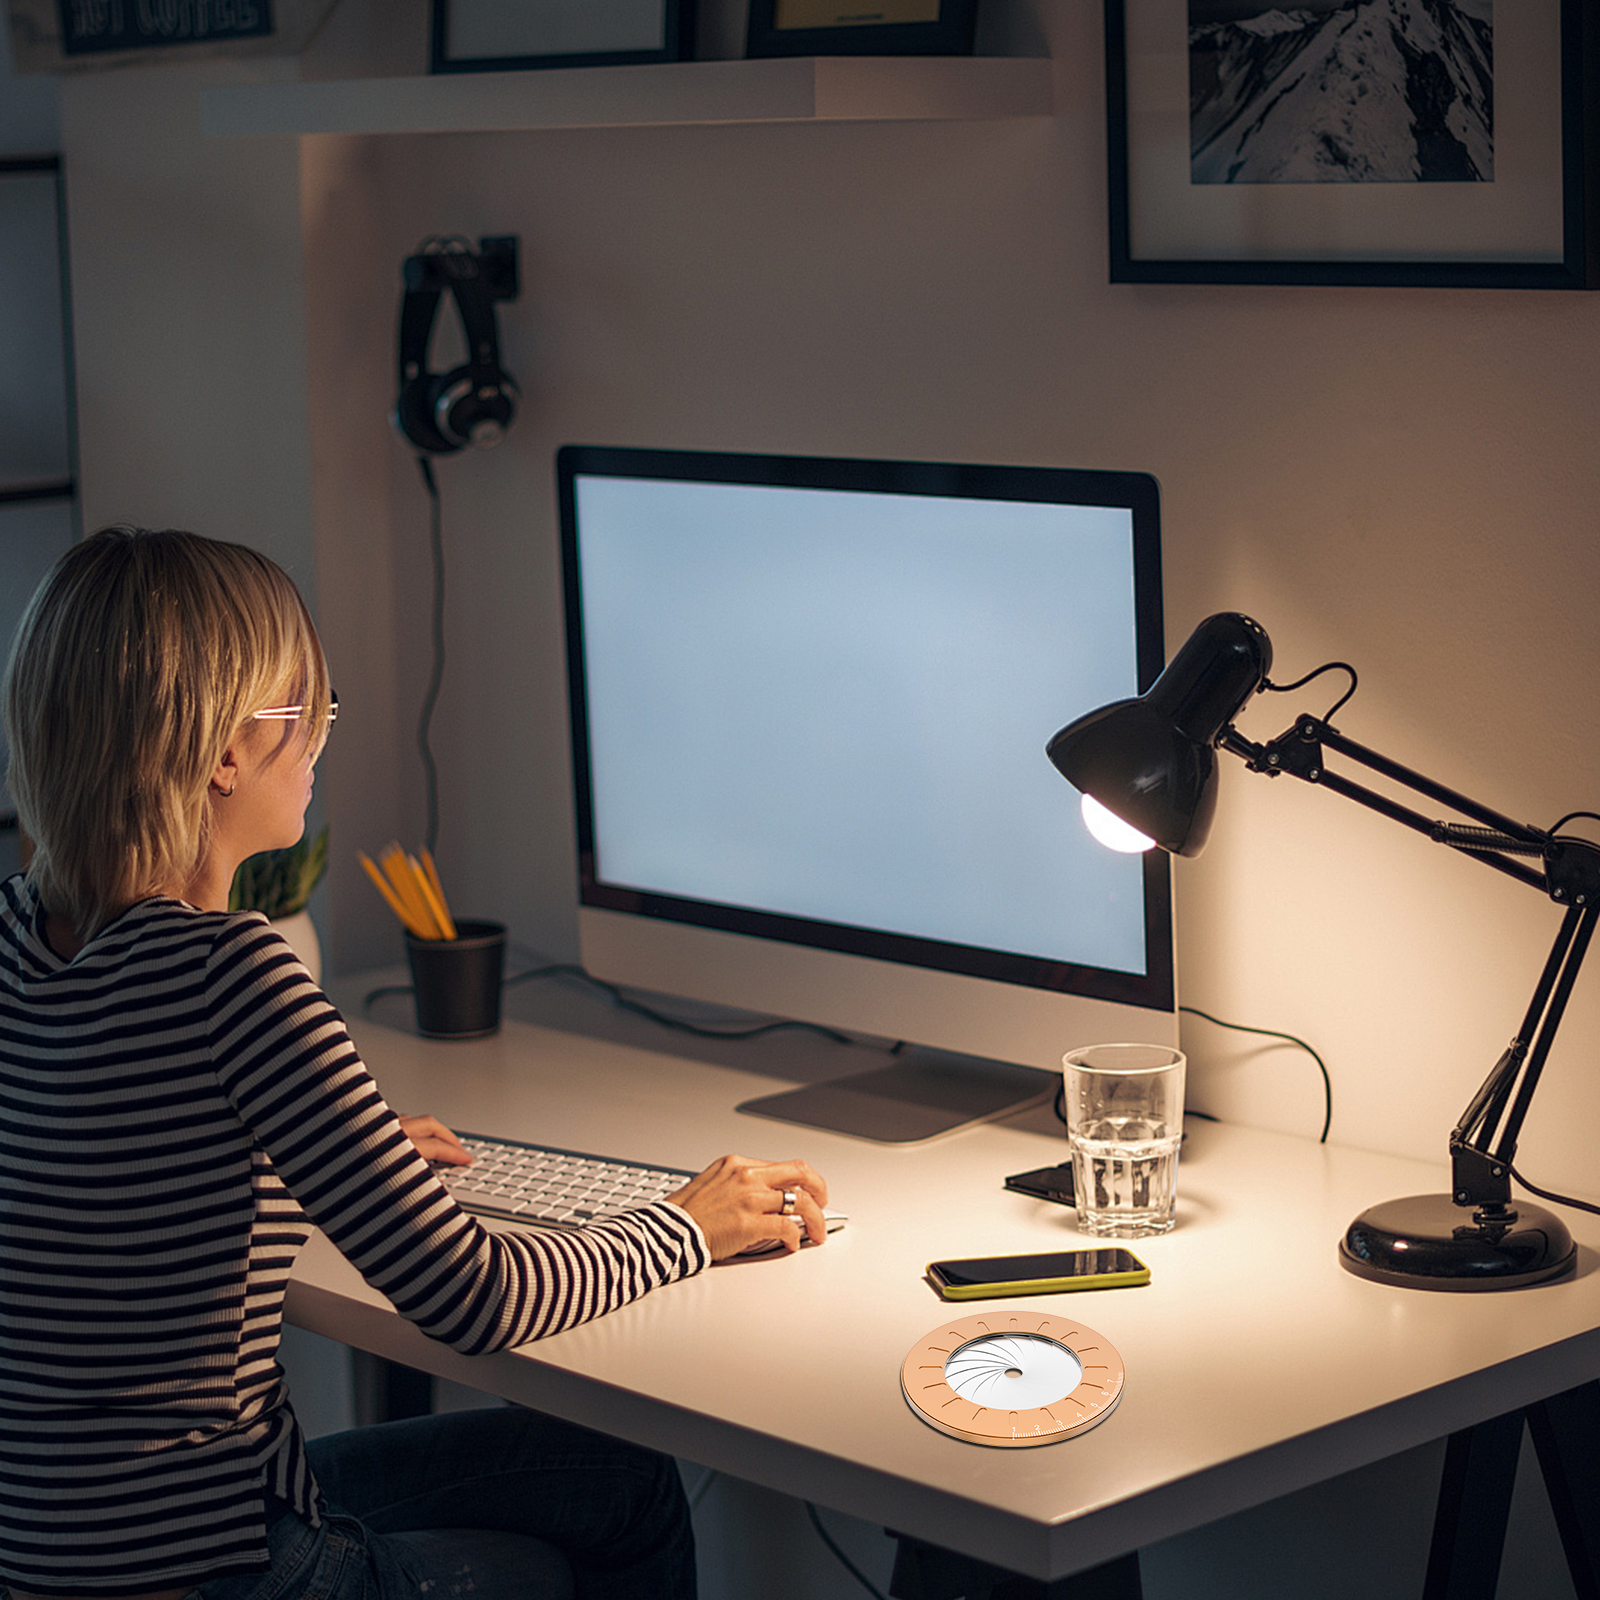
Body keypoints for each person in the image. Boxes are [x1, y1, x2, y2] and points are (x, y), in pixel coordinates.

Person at [0, 525, 829, 1600]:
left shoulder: (20, 933)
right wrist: (686, 1225)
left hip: (47, 1552)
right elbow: (472, 1297)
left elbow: (104, 1151)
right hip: (210, 1562)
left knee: (607, 1474)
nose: (319, 740)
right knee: (603, 1521)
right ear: (222, 754)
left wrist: (336, 1145)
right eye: (304, 710)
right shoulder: (230, 973)